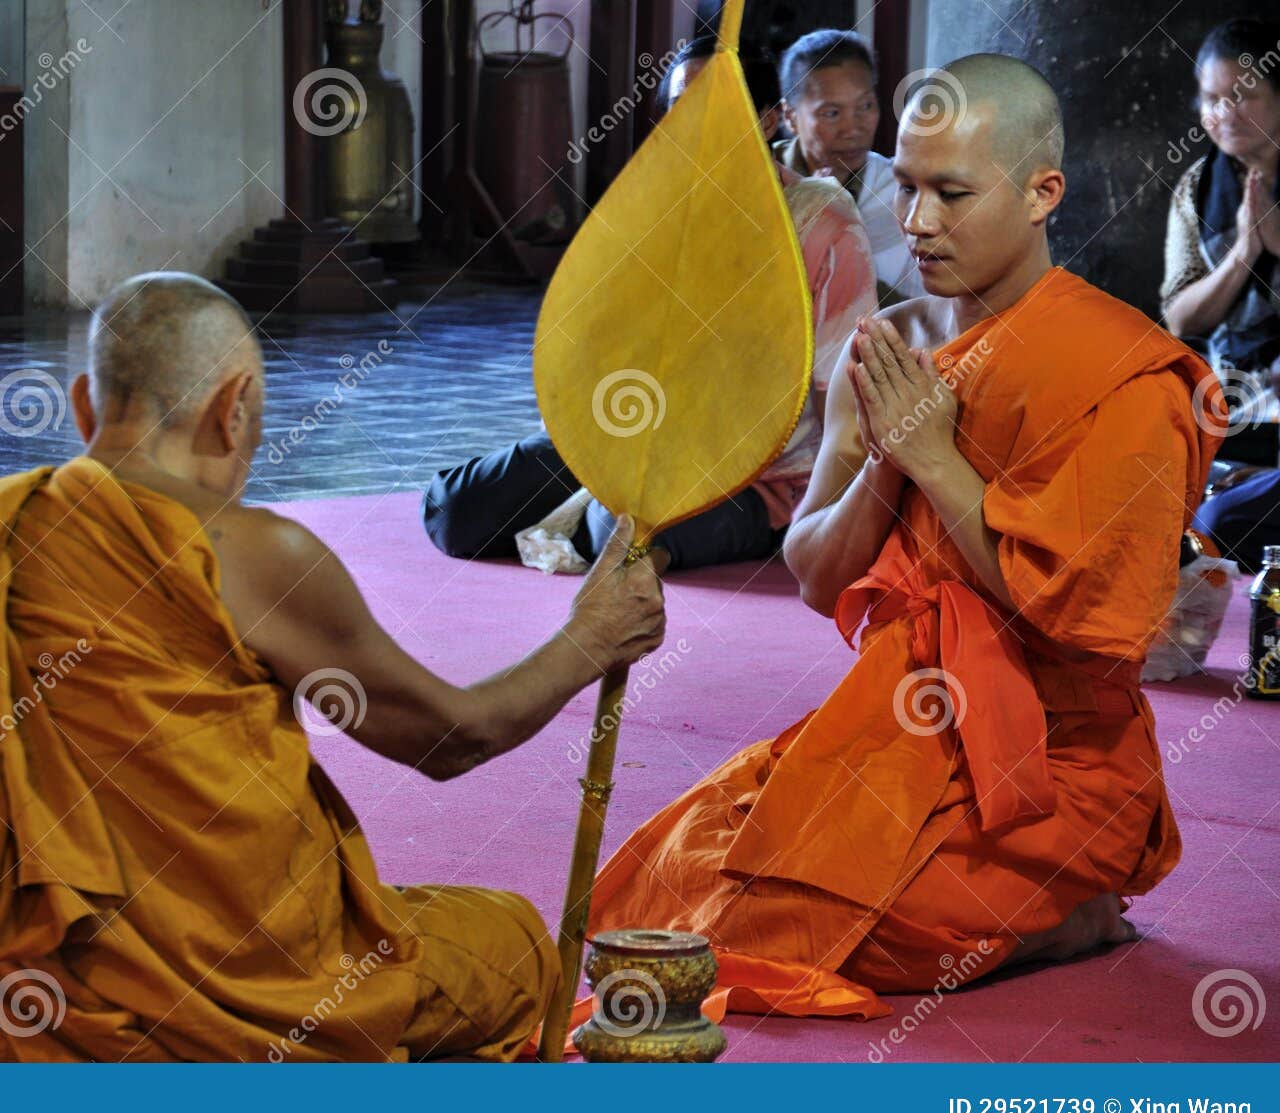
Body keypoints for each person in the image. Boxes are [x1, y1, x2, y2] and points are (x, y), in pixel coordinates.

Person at [0, 272, 666, 1062]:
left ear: (82, 406)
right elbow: (449, 738)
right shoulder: (251, 552)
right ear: (232, 411)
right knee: (512, 946)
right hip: (227, 997)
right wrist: (591, 636)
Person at [586, 54, 1224, 1020]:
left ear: (1042, 191)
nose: (915, 222)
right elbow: (810, 571)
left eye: (951, 194)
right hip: (905, 727)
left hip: (1057, 763)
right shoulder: (887, 348)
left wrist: (936, 459)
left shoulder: (1120, 373)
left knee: (878, 932)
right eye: (910, 187)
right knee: (683, 885)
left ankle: (1080, 911)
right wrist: (891, 457)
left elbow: (1094, 625)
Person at [422, 38, 877, 574]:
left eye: (723, 111)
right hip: (636, 432)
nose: (701, 129)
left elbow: (841, 389)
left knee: (615, 531)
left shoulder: (820, 220)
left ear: (769, 119)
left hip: (759, 473)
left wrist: (828, 516)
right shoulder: (653, 210)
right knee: (455, 510)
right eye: (684, 112)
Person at [1163, 18, 1280, 572]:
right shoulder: (1199, 186)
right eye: (1211, 98)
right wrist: (1243, 255)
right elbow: (1179, 317)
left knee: (1216, 527)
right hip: (1231, 412)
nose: (1223, 113)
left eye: (1242, 96)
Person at [774, 28, 924, 306]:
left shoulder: (899, 188)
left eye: (865, 106)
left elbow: (922, 309)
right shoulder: (763, 183)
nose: (853, 128)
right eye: (831, 113)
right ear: (790, 117)